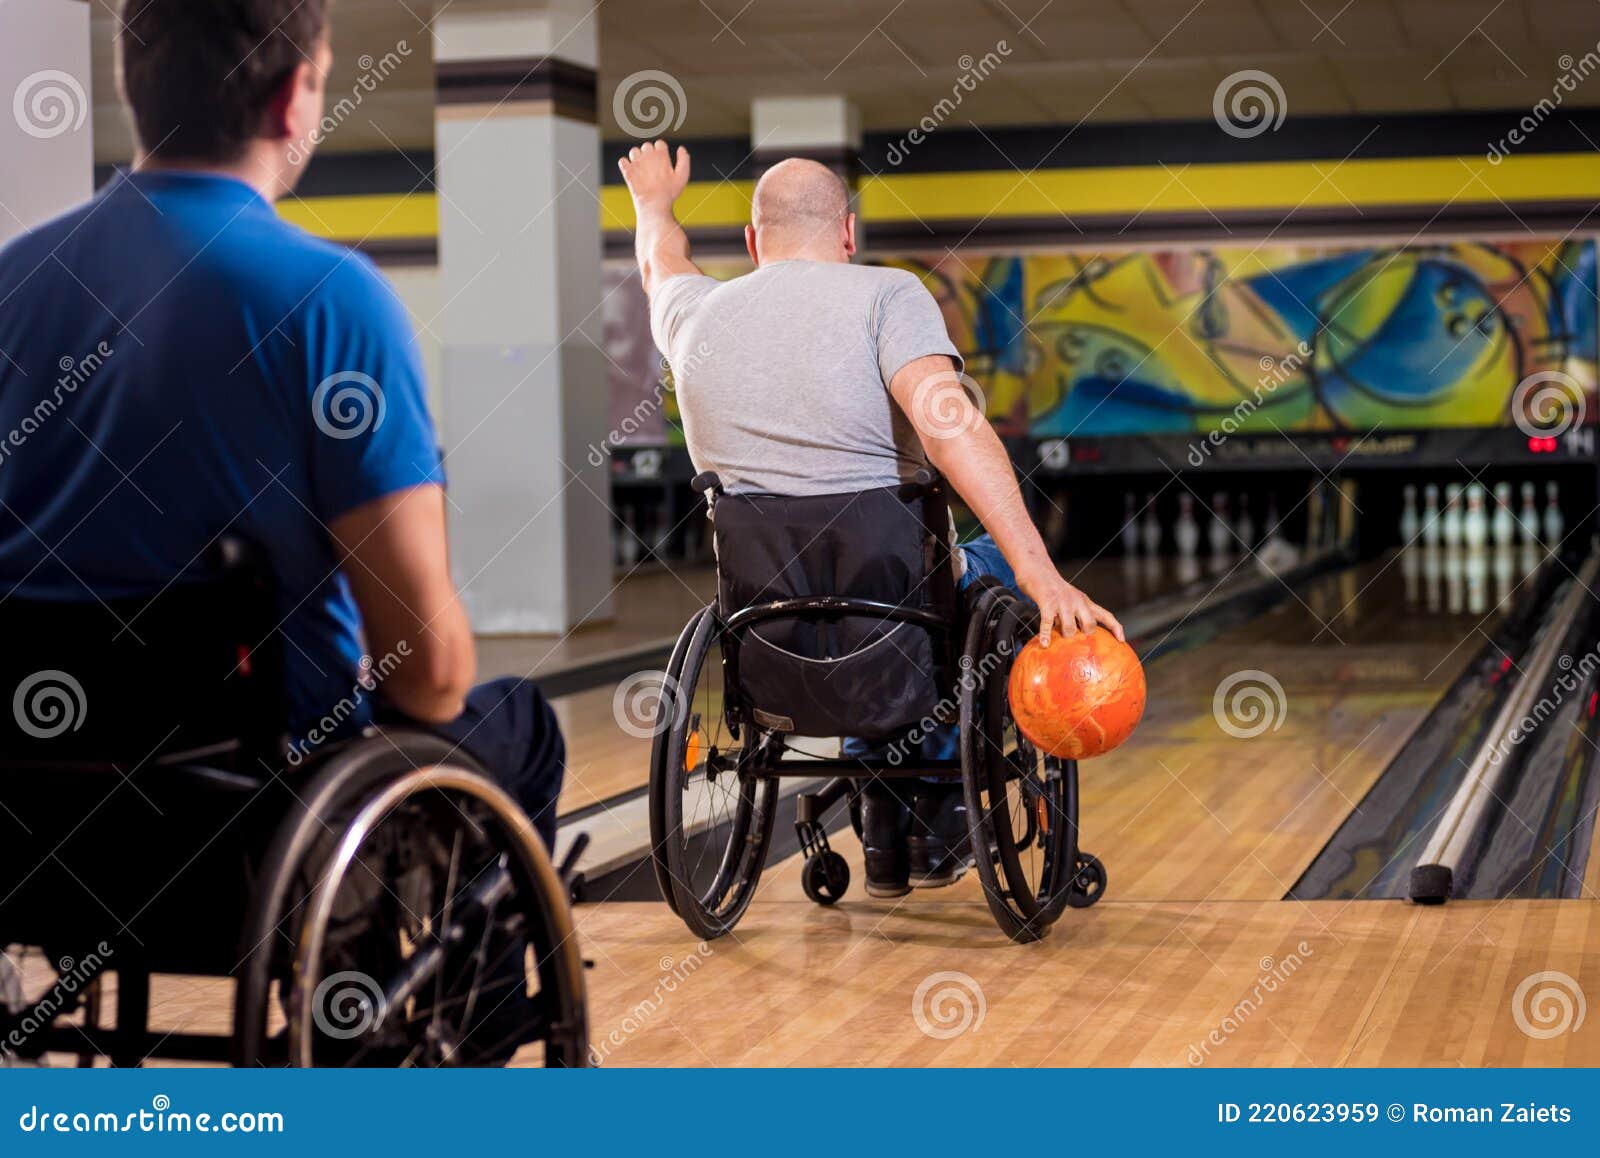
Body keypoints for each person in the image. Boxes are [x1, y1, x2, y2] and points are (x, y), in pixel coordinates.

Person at [0, 0, 564, 1002]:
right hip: (256, 826)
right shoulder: (325, 298)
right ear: (291, 92)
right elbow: (428, 674)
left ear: (133, 81)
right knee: (515, 721)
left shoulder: (13, 281)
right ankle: (447, 1039)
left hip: (34, 830)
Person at [619, 140, 1124, 898]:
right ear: (848, 233)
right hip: (899, 624)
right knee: (981, 577)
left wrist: (653, 202)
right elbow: (949, 424)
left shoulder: (695, 315)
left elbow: (661, 263)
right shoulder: (889, 296)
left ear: (754, 243)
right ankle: (938, 809)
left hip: (767, 630)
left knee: (891, 586)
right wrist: (1040, 572)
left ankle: (884, 830)